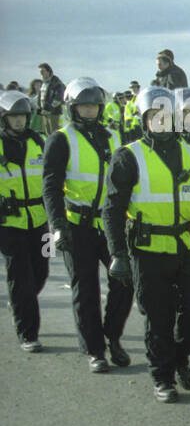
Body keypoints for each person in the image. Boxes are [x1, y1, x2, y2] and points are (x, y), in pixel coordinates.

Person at [102, 87, 190, 402]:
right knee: (158, 317)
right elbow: (111, 209)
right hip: (147, 251)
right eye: (154, 116)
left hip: (188, 246)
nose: (161, 121)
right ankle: (162, 377)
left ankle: (179, 357)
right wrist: (117, 254)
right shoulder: (128, 155)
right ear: (144, 119)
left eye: (166, 116)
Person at [41, 78, 135, 371]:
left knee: (125, 280)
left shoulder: (114, 136)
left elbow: (127, 183)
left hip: (109, 224)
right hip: (75, 225)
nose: (89, 110)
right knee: (86, 288)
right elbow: (51, 186)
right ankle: (95, 350)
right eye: (83, 105)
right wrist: (57, 226)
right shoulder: (61, 138)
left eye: (93, 105)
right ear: (72, 107)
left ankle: (113, 337)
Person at [0, 91, 50, 352]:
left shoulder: (40, 142)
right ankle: (28, 333)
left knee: (41, 271)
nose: (19, 121)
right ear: (4, 118)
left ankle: (20, 300)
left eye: (22, 116)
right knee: (20, 278)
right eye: (13, 116)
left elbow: (52, 178)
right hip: (9, 224)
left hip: (41, 222)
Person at [36, 65, 64, 133]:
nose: (41, 73)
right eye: (40, 72)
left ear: (48, 71)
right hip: (44, 111)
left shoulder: (56, 82)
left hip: (53, 113)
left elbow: (59, 97)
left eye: (43, 71)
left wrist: (50, 108)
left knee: (54, 131)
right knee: (47, 131)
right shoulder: (44, 83)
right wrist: (40, 107)